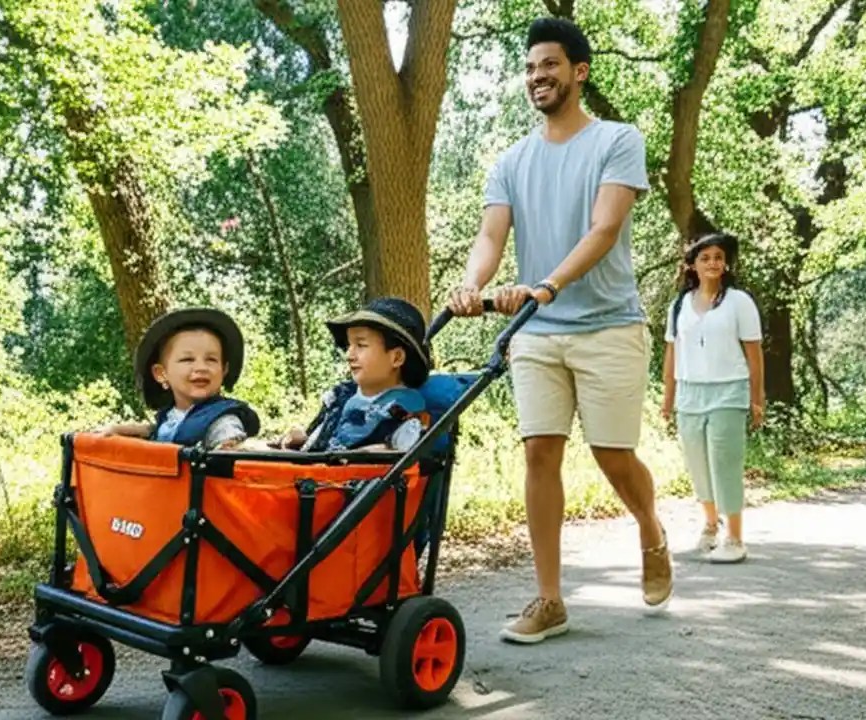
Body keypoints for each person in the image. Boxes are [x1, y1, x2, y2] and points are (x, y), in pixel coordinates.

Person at [448, 16, 671, 645]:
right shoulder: (512, 161)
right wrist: (471, 285)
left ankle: (651, 530)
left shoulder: (617, 141)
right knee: (540, 452)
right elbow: (491, 236)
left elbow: (603, 229)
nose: (537, 76)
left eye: (549, 64)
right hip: (537, 331)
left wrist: (548, 282)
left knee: (611, 455)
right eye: (529, 68)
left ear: (579, 72)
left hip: (607, 325)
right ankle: (549, 599)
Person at [661, 232, 765, 564]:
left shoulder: (739, 302)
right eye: (705, 258)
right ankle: (710, 527)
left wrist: (756, 398)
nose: (713, 263)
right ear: (692, 265)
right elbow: (671, 354)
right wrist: (668, 399)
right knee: (697, 464)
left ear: (726, 263)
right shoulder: (679, 305)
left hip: (729, 392)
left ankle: (735, 538)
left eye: (718, 257)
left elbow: (754, 354)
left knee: (725, 462)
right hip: (689, 394)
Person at [276, 297, 430, 453]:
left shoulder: (404, 408)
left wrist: (370, 453)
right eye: (349, 345)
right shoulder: (341, 395)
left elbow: (399, 452)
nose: (349, 355)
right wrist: (303, 437)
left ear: (396, 357)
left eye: (361, 345)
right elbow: (319, 440)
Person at [97, 308, 260, 448]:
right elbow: (161, 432)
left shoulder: (222, 421)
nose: (201, 367)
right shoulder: (170, 417)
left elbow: (234, 449)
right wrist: (121, 429)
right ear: (161, 374)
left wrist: (231, 446)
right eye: (187, 360)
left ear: (224, 370)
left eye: (211, 360)